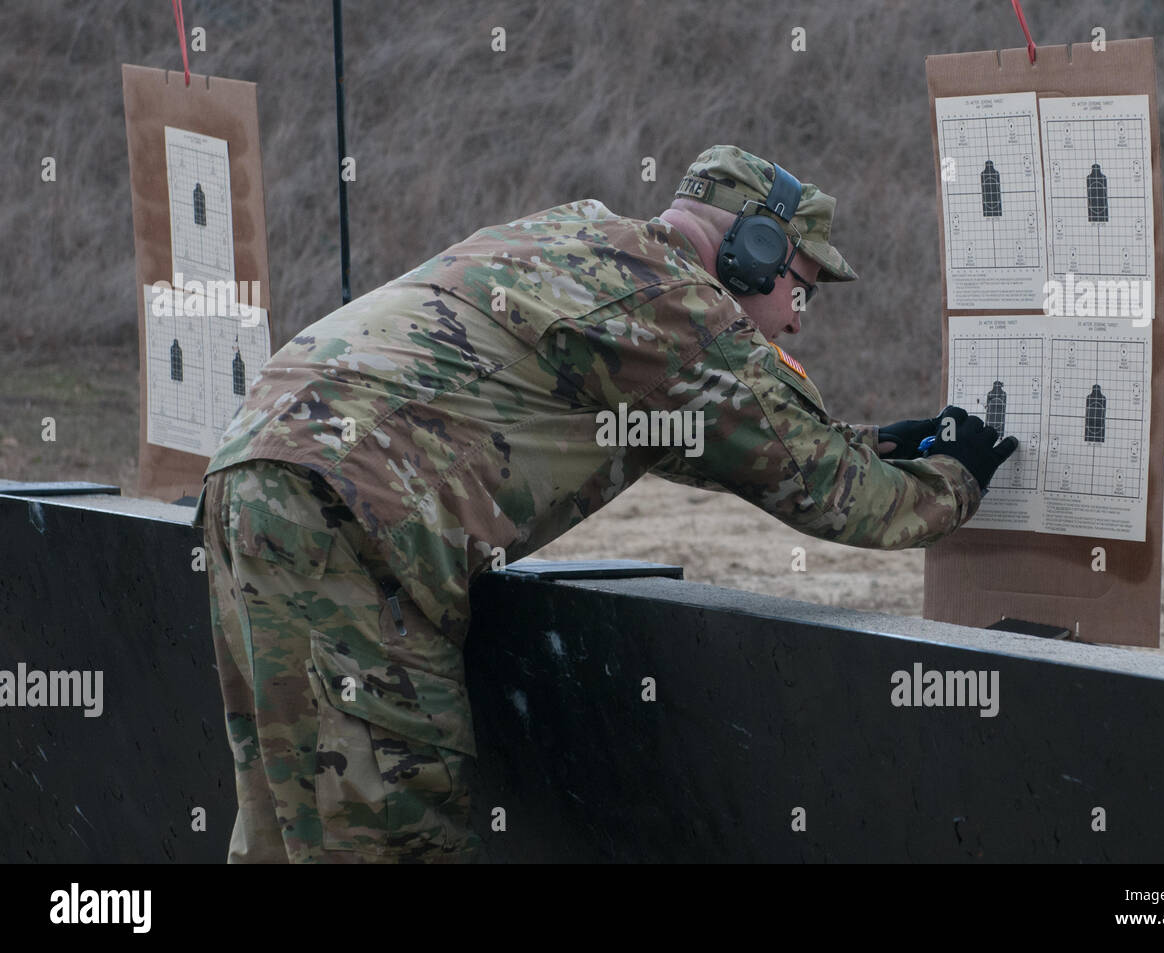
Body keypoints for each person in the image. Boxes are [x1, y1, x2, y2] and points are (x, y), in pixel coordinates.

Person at [194, 144, 1017, 864]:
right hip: (357, 518)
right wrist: (958, 475)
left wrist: (871, 438)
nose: (795, 322)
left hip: (254, 476)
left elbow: (691, 431)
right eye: (801, 287)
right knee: (389, 835)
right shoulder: (685, 311)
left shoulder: (577, 239)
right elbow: (840, 500)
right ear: (756, 252)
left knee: (286, 821)